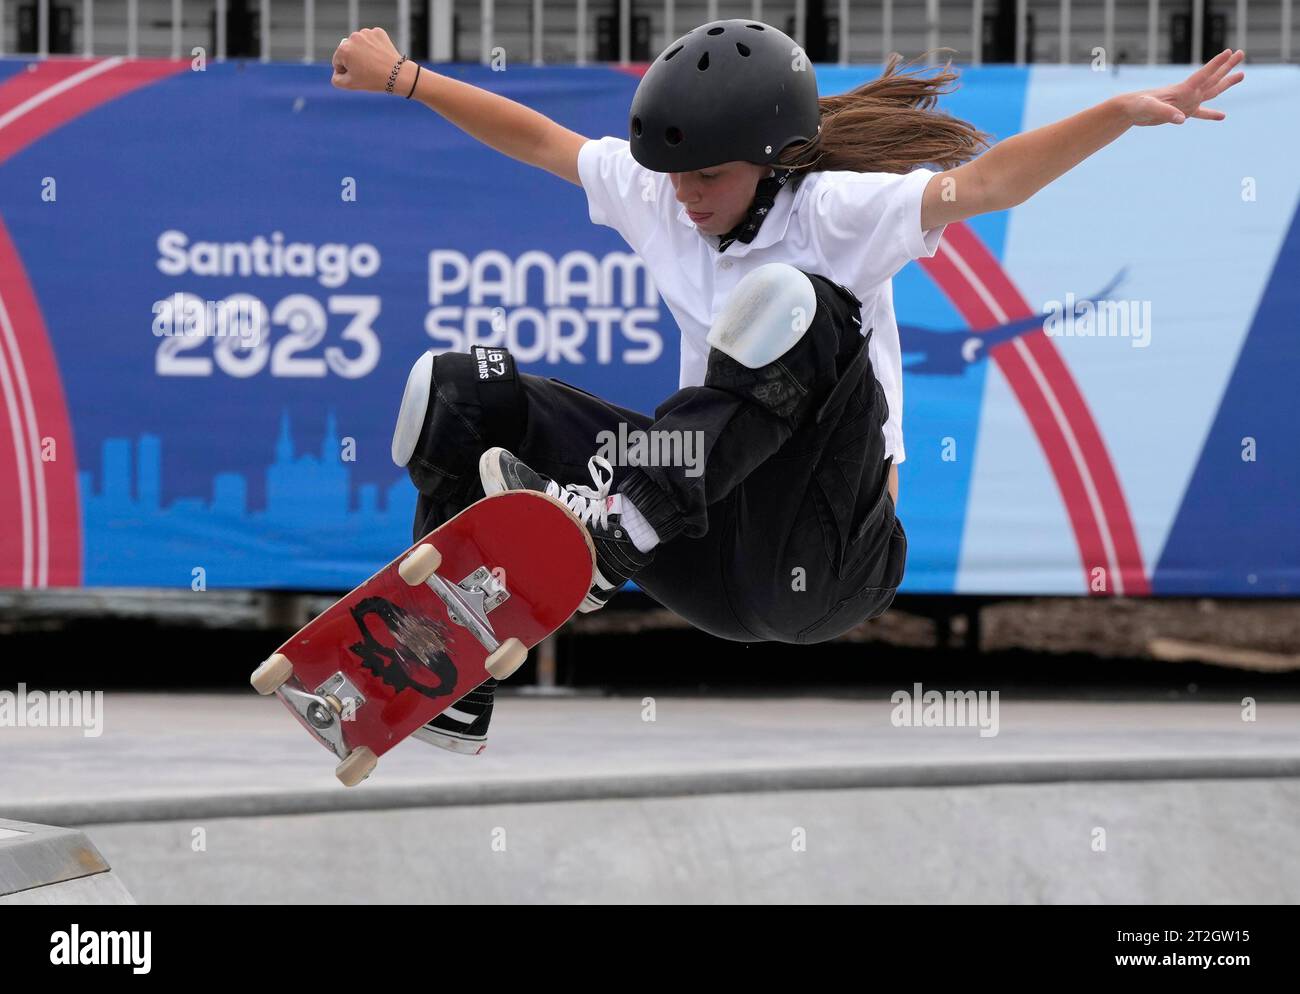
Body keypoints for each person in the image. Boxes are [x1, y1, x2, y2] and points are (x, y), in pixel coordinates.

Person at [331, 21, 1244, 754]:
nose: (686, 197)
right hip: (704, 546)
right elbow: (539, 139)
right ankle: (443, 668)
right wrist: (405, 77)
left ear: (772, 160)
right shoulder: (658, 195)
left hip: (829, 557)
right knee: (455, 391)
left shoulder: (837, 211)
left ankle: (621, 525)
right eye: (675, 176)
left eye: (709, 177)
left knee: (799, 305)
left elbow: (984, 187)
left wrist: (1120, 113)